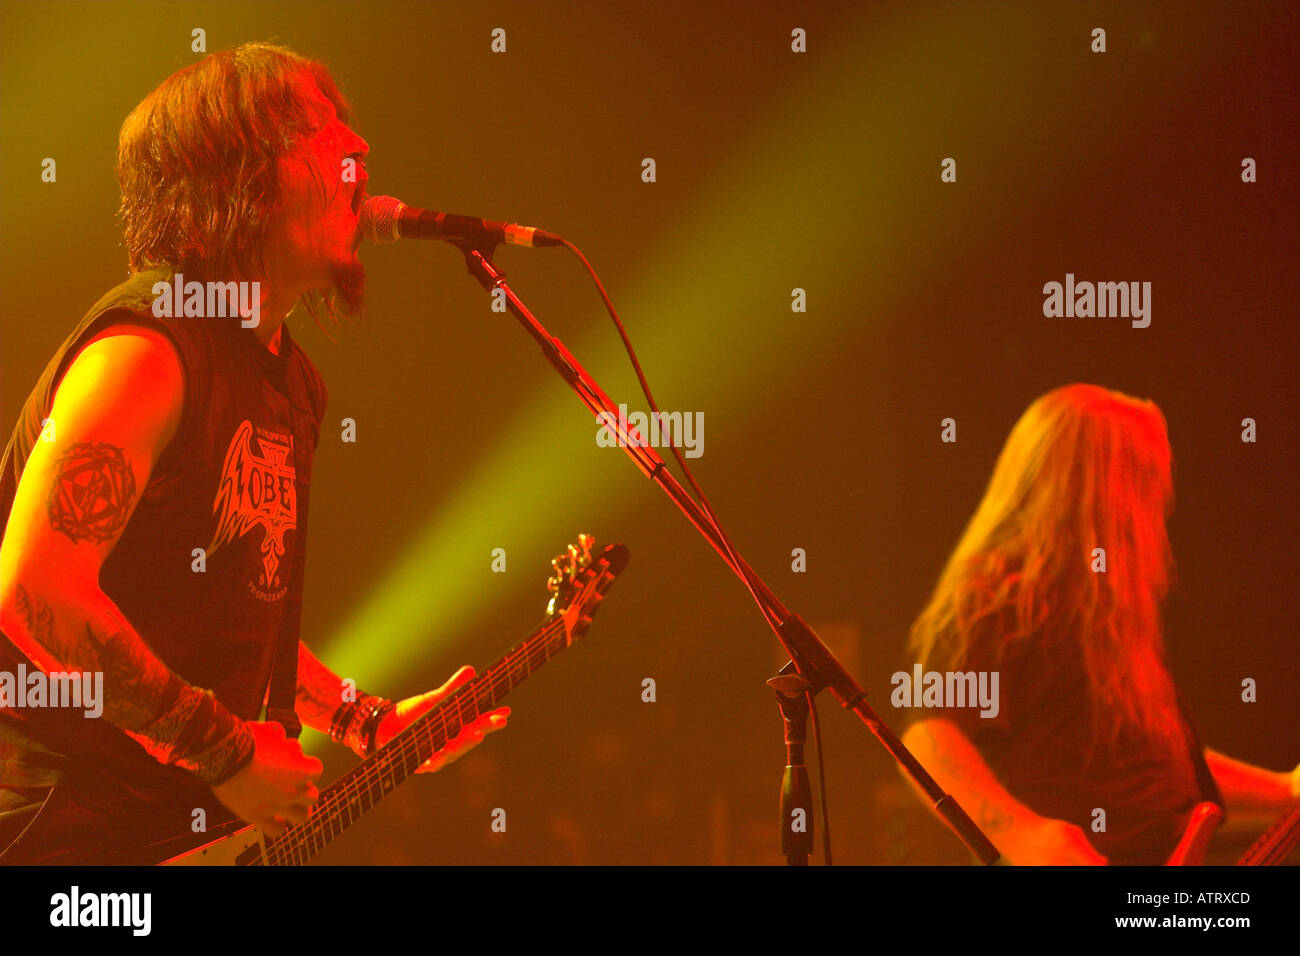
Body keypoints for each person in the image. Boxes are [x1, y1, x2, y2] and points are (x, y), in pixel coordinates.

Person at [0, 43, 507, 864]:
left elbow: (229, 620)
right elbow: (35, 589)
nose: (359, 148)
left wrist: (361, 719)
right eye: (319, 127)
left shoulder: (290, 381)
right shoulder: (145, 351)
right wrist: (226, 753)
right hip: (68, 838)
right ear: (234, 176)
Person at [899, 384, 1298, 865]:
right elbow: (929, 735)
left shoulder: (1105, 615)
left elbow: (1160, 775)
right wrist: (1024, 835)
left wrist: (1283, 790)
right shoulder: (1003, 593)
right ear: (1099, 484)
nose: (1163, 497)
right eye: (1148, 474)